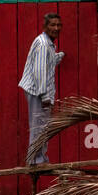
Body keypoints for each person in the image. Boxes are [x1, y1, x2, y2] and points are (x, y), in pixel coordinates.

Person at [19, 13, 64, 177]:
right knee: (39, 125)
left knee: (42, 125)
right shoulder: (44, 44)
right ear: (45, 27)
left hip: (39, 91)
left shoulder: (48, 44)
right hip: (38, 92)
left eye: (58, 25)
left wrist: (58, 57)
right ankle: (36, 160)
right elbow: (39, 72)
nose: (56, 28)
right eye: (52, 25)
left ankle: (40, 158)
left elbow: (45, 63)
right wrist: (45, 96)